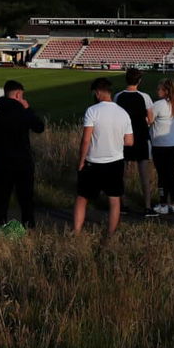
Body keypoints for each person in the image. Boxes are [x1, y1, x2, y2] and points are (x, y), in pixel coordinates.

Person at [0, 79, 45, 229]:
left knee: (1, 202)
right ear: (17, 95)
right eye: (22, 95)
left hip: (2, 163)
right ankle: (29, 231)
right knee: (26, 201)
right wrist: (28, 109)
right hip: (23, 163)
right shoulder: (23, 114)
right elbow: (39, 127)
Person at [73, 78, 133, 236]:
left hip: (93, 161)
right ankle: (110, 234)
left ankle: (77, 232)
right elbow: (129, 141)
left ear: (98, 92)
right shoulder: (123, 113)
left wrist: (80, 161)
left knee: (82, 197)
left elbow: (86, 139)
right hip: (115, 162)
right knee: (114, 200)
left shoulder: (92, 111)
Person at [113, 68, 155, 213]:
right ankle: (148, 206)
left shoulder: (118, 96)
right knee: (144, 173)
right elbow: (151, 119)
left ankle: (121, 205)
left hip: (123, 138)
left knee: (121, 172)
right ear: (139, 81)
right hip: (141, 137)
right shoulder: (145, 97)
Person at [149, 77, 174, 214]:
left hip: (160, 144)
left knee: (163, 174)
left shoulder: (158, 105)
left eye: (159, 89)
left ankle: (163, 203)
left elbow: (149, 121)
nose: (157, 91)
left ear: (166, 91)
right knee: (170, 172)